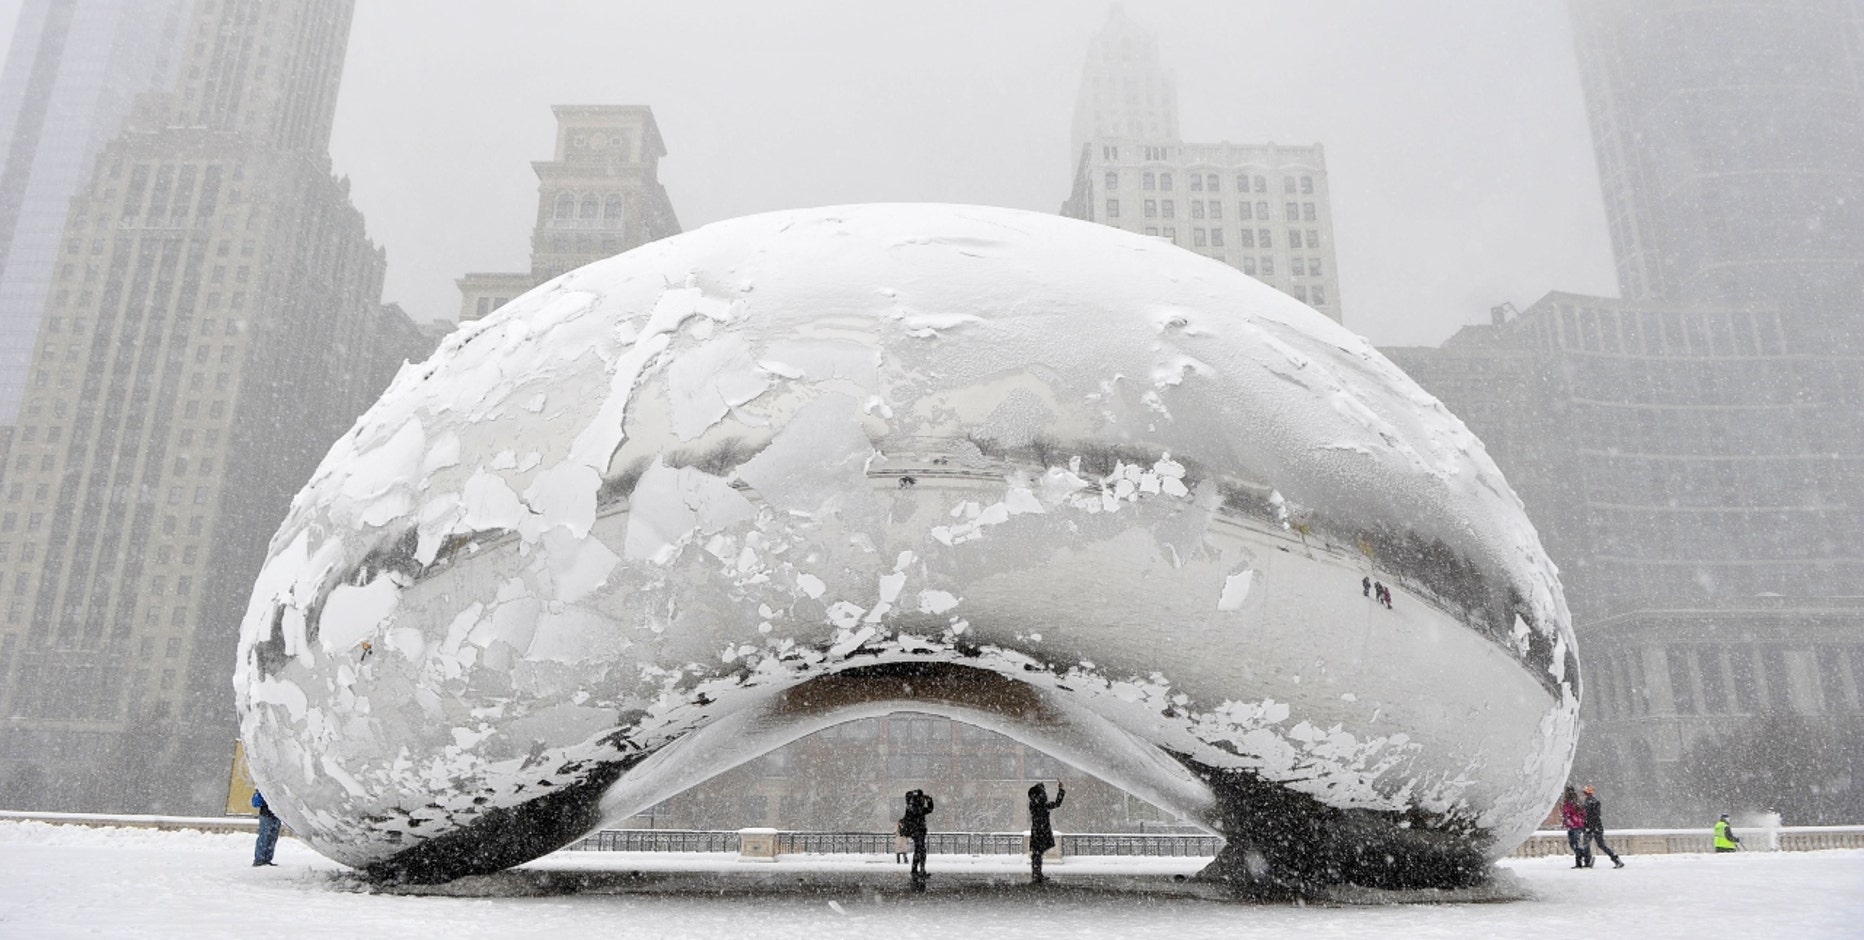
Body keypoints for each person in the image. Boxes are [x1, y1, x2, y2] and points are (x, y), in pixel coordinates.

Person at [1027, 781, 1065, 883]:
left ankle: (1037, 873)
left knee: (1037, 854)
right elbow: (1057, 804)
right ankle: (1037, 874)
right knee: (1037, 854)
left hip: (1037, 831)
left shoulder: (1034, 804)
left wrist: (1061, 791)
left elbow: (1056, 804)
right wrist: (1060, 791)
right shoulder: (1039, 805)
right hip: (1041, 831)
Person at [1581, 785, 1624, 868]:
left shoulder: (1587, 803)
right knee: (1601, 845)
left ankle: (1587, 861)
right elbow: (1595, 815)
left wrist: (1586, 824)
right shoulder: (1595, 802)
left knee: (1587, 845)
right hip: (1596, 826)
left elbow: (1588, 816)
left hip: (1590, 827)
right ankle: (1616, 859)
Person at [899, 788, 934, 879]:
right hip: (917, 832)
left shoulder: (911, 805)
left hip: (916, 832)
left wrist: (928, 800)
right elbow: (929, 809)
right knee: (921, 850)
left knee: (919, 850)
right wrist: (927, 800)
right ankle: (920, 870)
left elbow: (929, 809)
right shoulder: (915, 807)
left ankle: (915, 870)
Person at [1559, 785, 1590, 869]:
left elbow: (1566, 815)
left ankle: (1585, 857)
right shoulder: (1577, 802)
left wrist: (1565, 822)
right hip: (1578, 825)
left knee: (1574, 845)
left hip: (1573, 825)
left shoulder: (1567, 804)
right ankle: (1580, 862)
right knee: (1575, 844)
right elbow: (1583, 813)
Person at [252, 790, 280, 867]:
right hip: (267, 815)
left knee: (272, 838)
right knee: (265, 837)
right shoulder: (263, 789)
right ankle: (260, 859)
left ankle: (266, 859)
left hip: (274, 815)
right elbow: (257, 803)